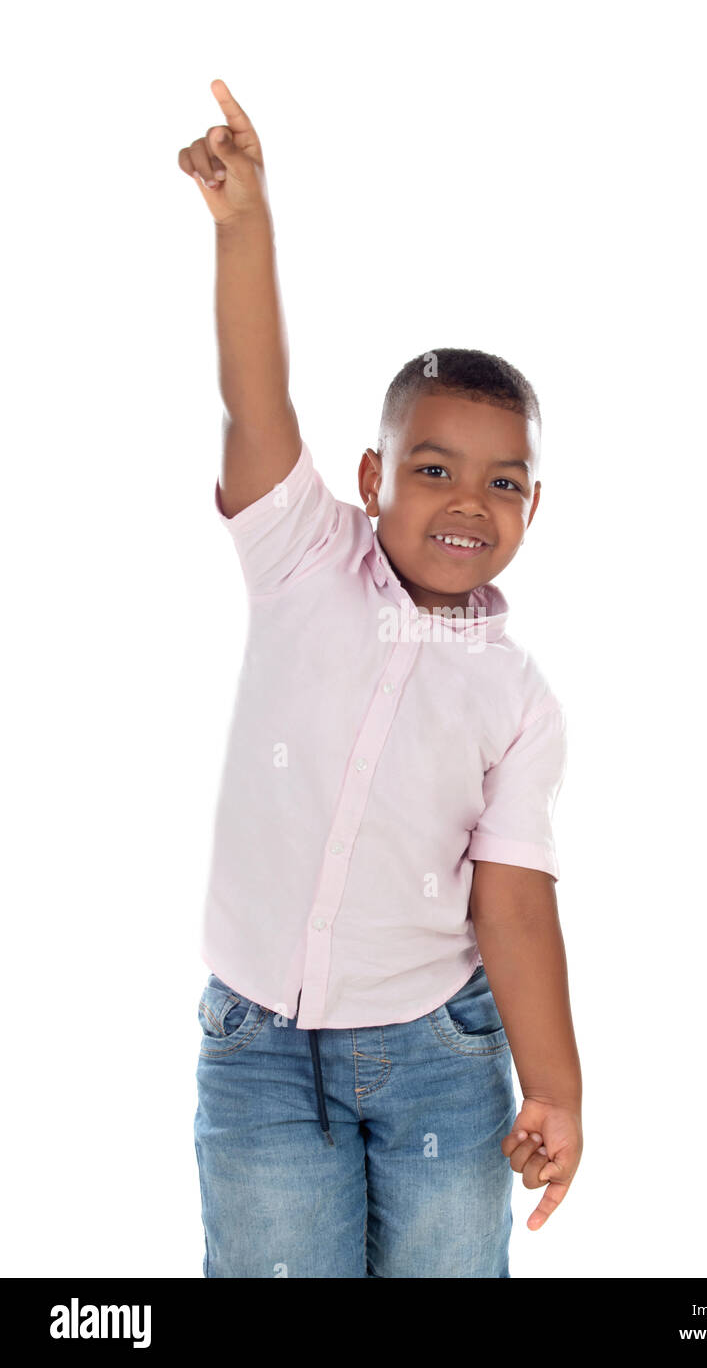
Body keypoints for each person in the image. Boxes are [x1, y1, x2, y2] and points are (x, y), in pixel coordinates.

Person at [178, 79, 583, 1279]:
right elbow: (254, 398)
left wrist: (554, 1085)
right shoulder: (299, 553)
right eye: (435, 468)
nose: (468, 502)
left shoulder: (518, 702)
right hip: (256, 1046)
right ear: (371, 474)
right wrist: (244, 221)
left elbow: (511, 905)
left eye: (503, 483)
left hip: (437, 1058)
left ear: (532, 508)